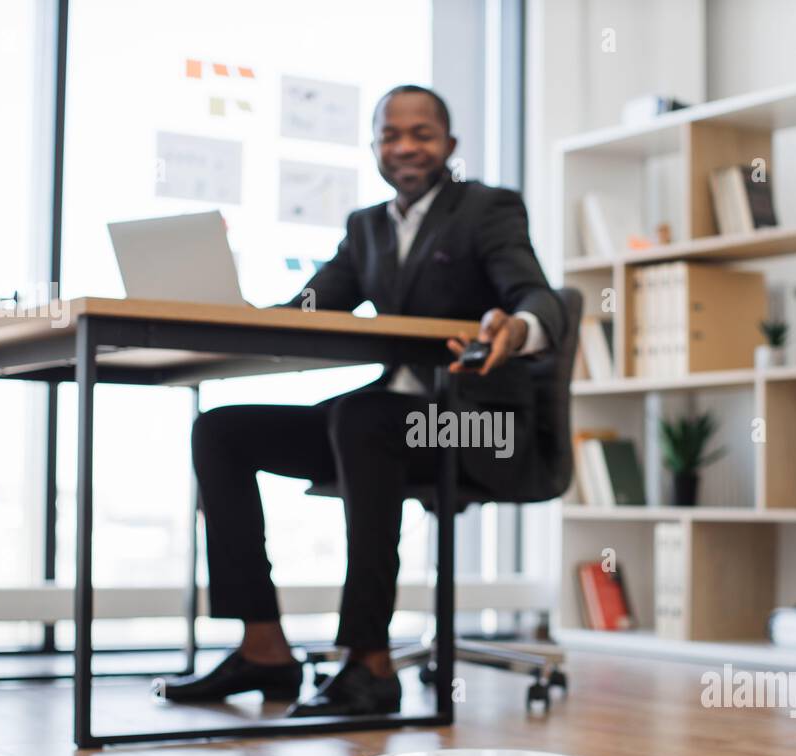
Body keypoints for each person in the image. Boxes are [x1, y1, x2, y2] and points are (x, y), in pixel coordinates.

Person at [157, 84, 564, 717]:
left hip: (482, 429)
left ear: (449, 146)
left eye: (421, 134)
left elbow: (537, 295)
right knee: (221, 431)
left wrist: (518, 327)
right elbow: (314, 309)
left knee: (362, 417)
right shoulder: (367, 228)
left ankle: (369, 662)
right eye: (389, 134)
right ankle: (262, 645)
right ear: (374, 145)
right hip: (383, 424)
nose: (405, 146)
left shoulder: (488, 209)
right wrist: (233, 316)